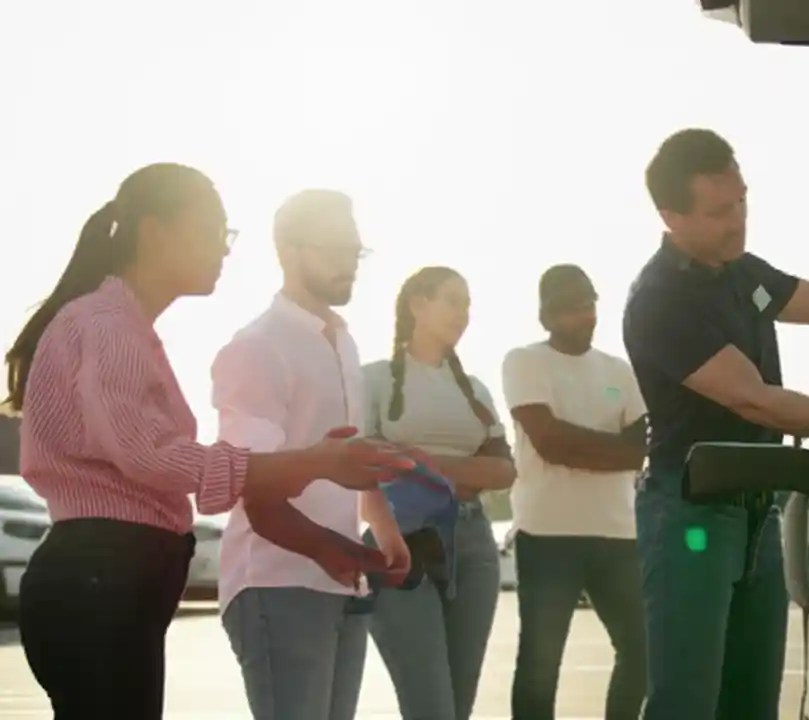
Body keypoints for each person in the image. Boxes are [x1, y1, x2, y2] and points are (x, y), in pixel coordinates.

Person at [5, 164, 412, 720]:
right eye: (214, 231)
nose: (224, 250)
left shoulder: (122, 325)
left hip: (111, 578)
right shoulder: (106, 325)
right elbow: (148, 455)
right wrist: (314, 463)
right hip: (100, 577)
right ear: (155, 232)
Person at [622, 128, 809, 719]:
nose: (737, 220)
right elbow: (754, 400)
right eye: (718, 212)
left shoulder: (743, 275)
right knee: (686, 703)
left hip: (757, 513)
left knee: (752, 703)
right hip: (691, 515)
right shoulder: (661, 300)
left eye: (741, 201)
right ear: (670, 216)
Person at [209, 189, 412, 720]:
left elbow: (354, 457)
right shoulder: (257, 347)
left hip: (338, 578)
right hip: (276, 580)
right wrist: (330, 548)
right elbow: (256, 484)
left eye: (356, 250)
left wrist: (384, 532)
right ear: (289, 250)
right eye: (335, 249)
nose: (350, 263)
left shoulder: (343, 342)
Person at [363, 266, 517, 720]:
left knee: (458, 706)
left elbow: (504, 471)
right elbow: (364, 468)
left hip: (473, 544)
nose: (462, 313)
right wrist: (464, 470)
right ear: (417, 305)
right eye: (452, 300)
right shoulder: (372, 380)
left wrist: (416, 460)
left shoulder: (477, 392)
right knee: (430, 708)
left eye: (468, 304)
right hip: (400, 539)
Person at [503, 264, 649, 720]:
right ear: (545, 316)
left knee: (642, 653)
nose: (583, 316)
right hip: (548, 535)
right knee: (541, 665)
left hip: (618, 535)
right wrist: (614, 449)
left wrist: (586, 448)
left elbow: (641, 449)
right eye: (569, 308)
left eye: (588, 304)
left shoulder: (618, 370)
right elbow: (550, 443)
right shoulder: (524, 361)